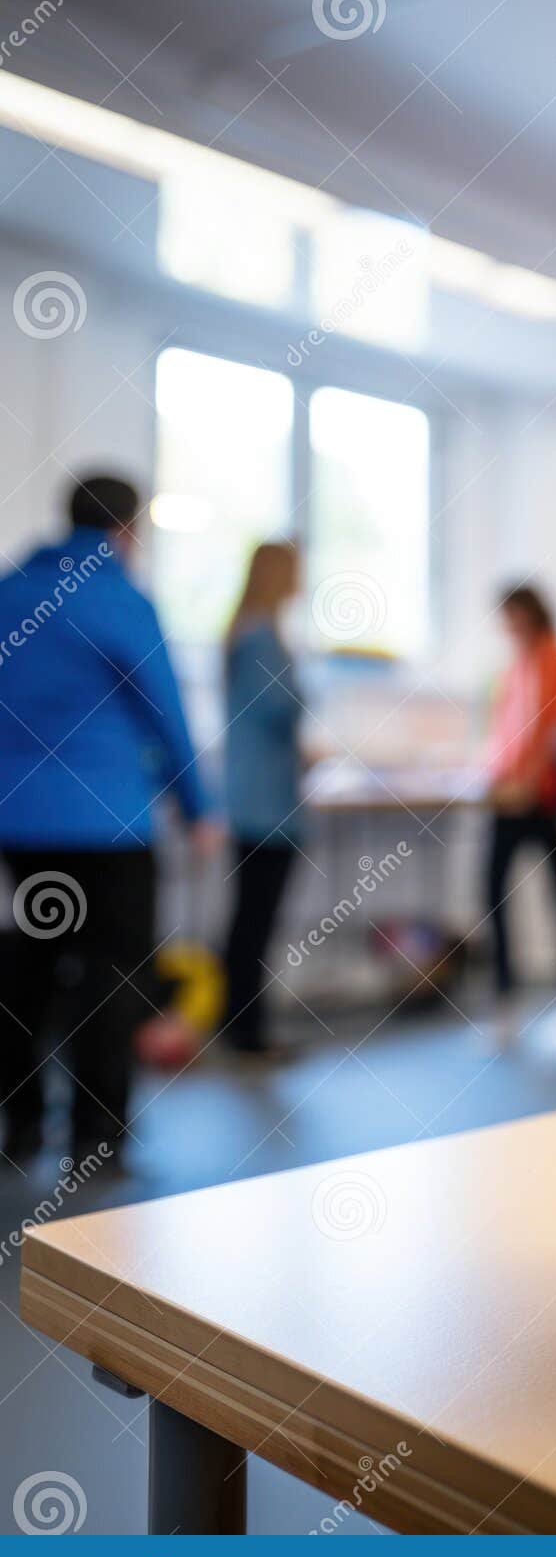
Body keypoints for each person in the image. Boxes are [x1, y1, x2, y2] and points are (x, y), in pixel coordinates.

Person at [0, 474, 217, 1167]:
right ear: (126, 530)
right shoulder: (120, 597)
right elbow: (167, 710)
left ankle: (22, 1126)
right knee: (113, 975)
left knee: (27, 971)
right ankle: (97, 1137)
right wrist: (200, 807)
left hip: (22, 827)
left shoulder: (10, 594)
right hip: (111, 826)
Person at [484, 586, 556, 1031]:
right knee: (492, 895)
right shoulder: (516, 666)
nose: (509, 626)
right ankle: (504, 1000)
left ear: (530, 614)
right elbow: (505, 734)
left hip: (541, 800)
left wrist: (528, 785)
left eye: (513, 616)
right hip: (506, 797)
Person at [220, 542, 304, 1058]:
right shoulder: (262, 641)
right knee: (256, 922)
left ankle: (242, 1026)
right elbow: (281, 711)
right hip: (268, 806)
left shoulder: (242, 634)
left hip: (249, 798)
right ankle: (247, 1032)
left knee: (246, 920)